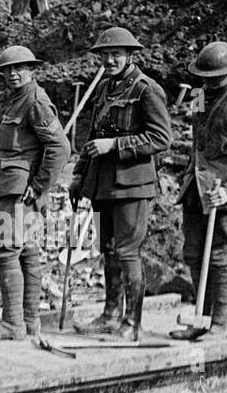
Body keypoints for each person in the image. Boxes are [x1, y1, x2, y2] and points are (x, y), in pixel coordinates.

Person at [68, 28, 172, 341]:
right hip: (102, 184)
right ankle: (110, 314)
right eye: (104, 54)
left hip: (132, 186)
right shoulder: (103, 88)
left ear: (129, 55)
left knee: (127, 252)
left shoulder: (146, 89)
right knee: (108, 250)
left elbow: (161, 138)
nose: (109, 60)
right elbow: (91, 138)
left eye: (116, 54)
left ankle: (132, 323)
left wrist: (115, 146)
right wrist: (78, 175)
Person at [0, 46, 70, 340]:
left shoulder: (35, 101)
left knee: (6, 251)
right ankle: (29, 322)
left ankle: (12, 324)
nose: (13, 74)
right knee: (26, 251)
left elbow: (60, 147)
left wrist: (39, 185)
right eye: (7, 70)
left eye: (20, 68)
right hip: (11, 187)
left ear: (32, 70)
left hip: (19, 191)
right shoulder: (19, 100)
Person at [170, 41, 227, 341]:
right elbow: (197, 140)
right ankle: (200, 319)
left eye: (215, 77)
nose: (209, 82)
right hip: (196, 187)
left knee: (220, 256)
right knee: (192, 254)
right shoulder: (199, 95)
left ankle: (220, 324)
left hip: (226, 192)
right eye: (205, 77)